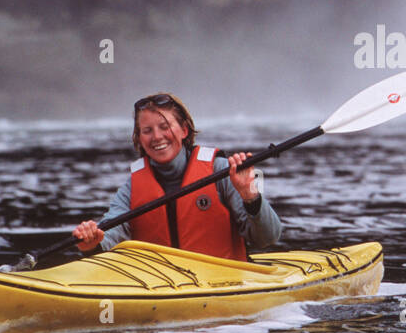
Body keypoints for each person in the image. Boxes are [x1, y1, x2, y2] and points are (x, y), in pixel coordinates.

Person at [72, 92, 280, 260]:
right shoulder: (132, 187)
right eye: (147, 130)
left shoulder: (222, 171)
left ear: (184, 130)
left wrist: (250, 197)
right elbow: (111, 234)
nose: (157, 137)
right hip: (162, 290)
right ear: (139, 138)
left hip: (225, 283)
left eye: (165, 127)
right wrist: (93, 241)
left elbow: (268, 238)